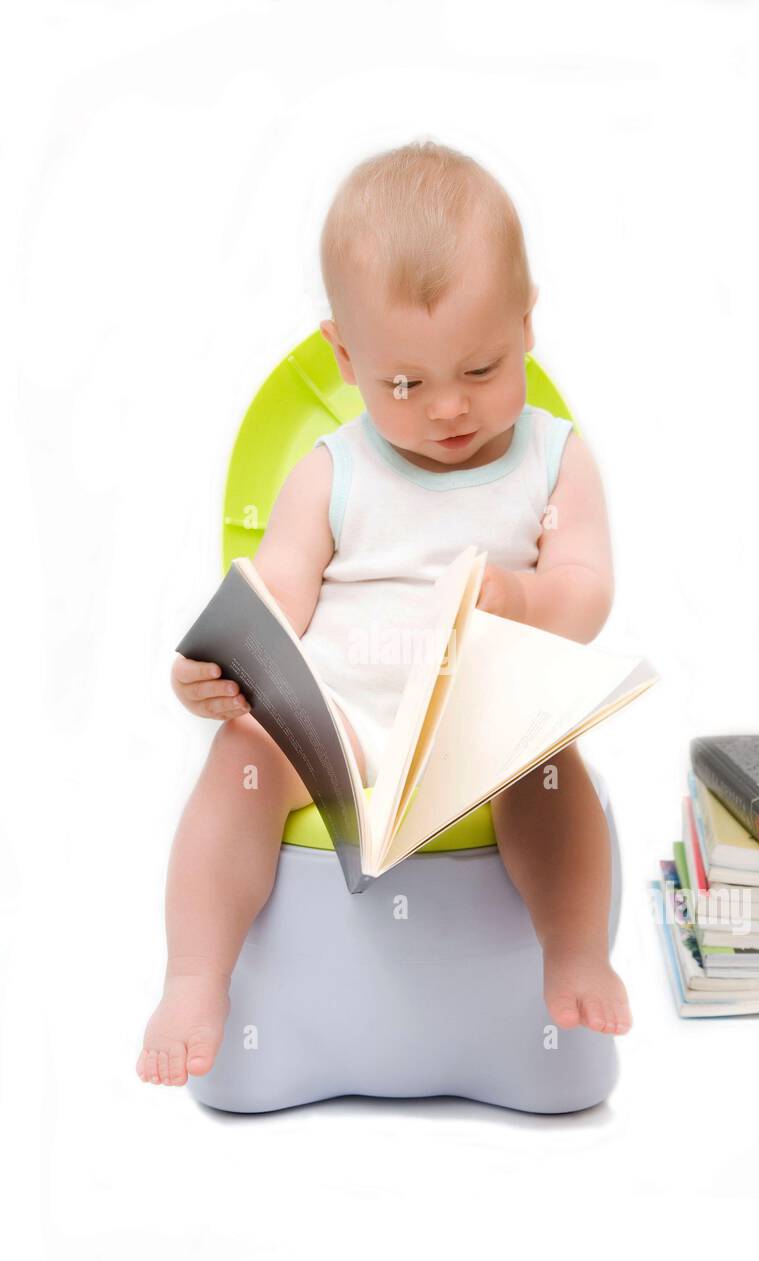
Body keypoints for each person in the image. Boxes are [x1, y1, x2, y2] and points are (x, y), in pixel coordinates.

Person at [137, 139, 629, 1088]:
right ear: (345, 354)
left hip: (482, 737)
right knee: (239, 763)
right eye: (404, 382)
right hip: (340, 735)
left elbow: (586, 588)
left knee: (553, 768)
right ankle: (197, 977)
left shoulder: (554, 458)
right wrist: (216, 665)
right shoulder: (331, 467)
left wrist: (523, 599)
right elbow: (273, 591)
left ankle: (571, 952)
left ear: (528, 326)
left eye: (481, 369)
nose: (447, 407)